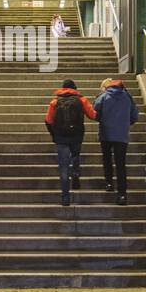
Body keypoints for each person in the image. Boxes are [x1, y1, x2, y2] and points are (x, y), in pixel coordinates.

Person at [45, 78, 97, 206]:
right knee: (75, 155)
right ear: (75, 89)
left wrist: (54, 134)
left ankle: (65, 197)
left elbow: (48, 120)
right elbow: (93, 115)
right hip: (76, 135)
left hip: (61, 137)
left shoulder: (54, 102)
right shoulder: (81, 100)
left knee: (63, 167)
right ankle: (75, 172)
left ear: (62, 89)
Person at [94, 77, 139, 206]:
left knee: (107, 159)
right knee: (121, 164)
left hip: (106, 134)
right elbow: (135, 116)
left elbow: (95, 113)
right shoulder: (127, 97)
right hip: (122, 136)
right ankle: (122, 194)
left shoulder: (103, 97)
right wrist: (125, 124)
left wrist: (104, 121)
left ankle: (108, 183)